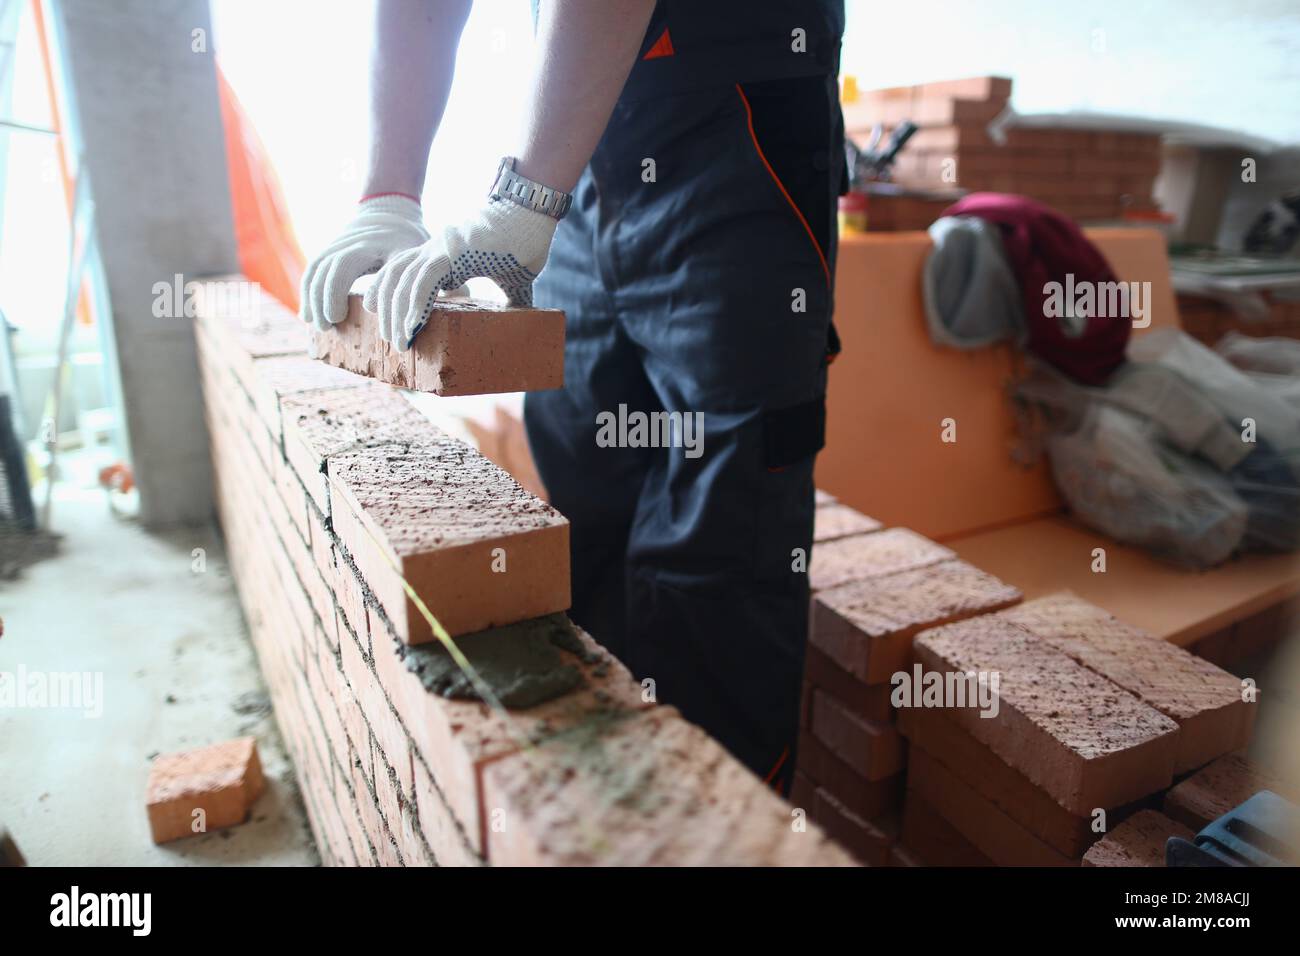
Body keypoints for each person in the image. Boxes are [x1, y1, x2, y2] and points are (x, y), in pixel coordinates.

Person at [301, 0, 846, 792]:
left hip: (742, 119)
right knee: (587, 481)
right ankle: (614, 793)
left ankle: (719, 821)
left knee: (724, 525)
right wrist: (388, 197)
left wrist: (525, 201)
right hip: (585, 138)